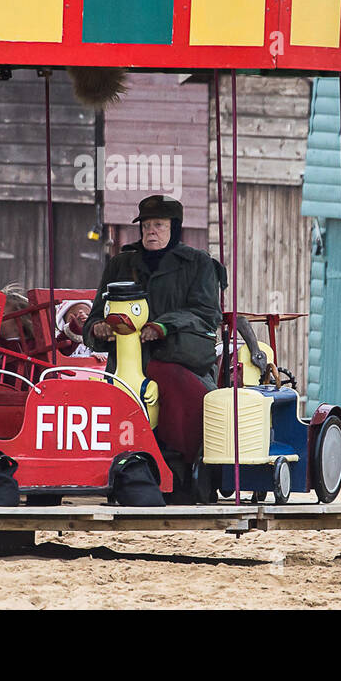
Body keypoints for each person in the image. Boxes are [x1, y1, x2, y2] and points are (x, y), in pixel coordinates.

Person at [82, 194, 224, 493]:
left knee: (178, 392)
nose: (151, 231)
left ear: (175, 228)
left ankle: (183, 469)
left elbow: (207, 316)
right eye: (146, 225)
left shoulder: (198, 263)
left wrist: (163, 326)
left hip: (180, 359)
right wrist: (98, 328)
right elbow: (95, 316)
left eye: (158, 224)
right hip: (124, 364)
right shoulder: (120, 264)